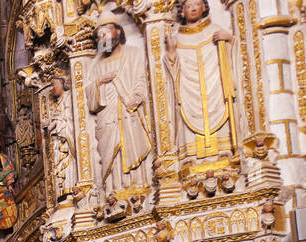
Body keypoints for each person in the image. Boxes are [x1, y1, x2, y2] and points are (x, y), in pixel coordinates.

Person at [86, 11, 153, 200]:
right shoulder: (96, 65)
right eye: (100, 35)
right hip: (107, 117)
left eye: (106, 32)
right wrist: (99, 82)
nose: (103, 37)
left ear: (117, 31)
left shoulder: (133, 53)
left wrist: (138, 97)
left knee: (132, 144)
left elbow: (141, 78)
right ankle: (114, 189)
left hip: (129, 112)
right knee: (111, 153)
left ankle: (138, 185)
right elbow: (90, 97)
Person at [165, 0, 237, 161]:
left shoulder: (215, 30)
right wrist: (171, 53)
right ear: (182, 11)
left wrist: (230, 40)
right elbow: (170, 72)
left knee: (220, 104)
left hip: (214, 87)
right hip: (188, 91)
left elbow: (235, 59)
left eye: (197, 4)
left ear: (204, 7)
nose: (193, 8)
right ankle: (191, 155)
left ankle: (224, 149)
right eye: (188, 6)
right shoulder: (176, 38)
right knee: (186, 107)